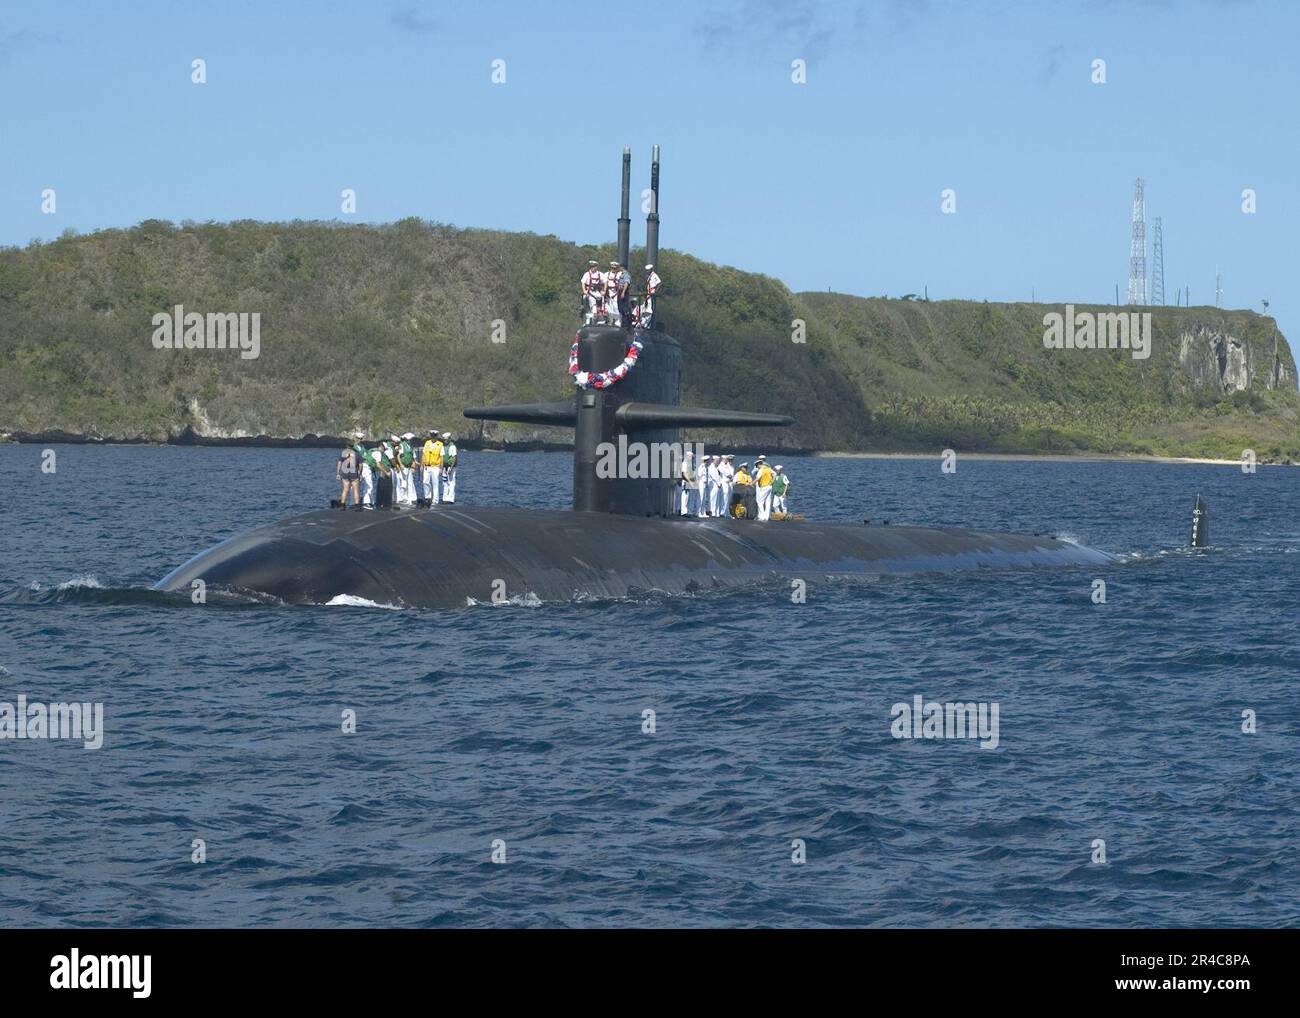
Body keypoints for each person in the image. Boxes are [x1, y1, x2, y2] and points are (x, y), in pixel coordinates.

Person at [421, 429, 443, 505]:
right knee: (425, 482)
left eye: (434, 436)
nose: (433, 437)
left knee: (435, 483)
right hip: (427, 466)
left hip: (435, 467)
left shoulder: (440, 444)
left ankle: (435, 500)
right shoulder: (427, 443)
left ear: (436, 436)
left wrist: (441, 468)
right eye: (432, 436)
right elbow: (423, 455)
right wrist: (422, 465)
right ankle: (427, 497)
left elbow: (442, 457)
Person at [336, 437, 360, 508]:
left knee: (345, 489)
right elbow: (360, 465)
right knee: (355, 490)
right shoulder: (357, 453)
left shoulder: (343, 453)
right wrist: (360, 473)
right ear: (353, 446)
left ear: (347, 446)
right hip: (354, 473)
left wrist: (338, 473)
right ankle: (357, 505)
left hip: (345, 473)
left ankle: (343, 505)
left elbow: (339, 463)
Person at [581, 259, 603, 325]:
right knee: (585, 299)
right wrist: (584, 290)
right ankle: (585, 312)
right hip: (589, 291)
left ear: (596, 267)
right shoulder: (586, 274)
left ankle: (600, 315)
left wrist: (603, 290)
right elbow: (583, 282)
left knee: (602, 299)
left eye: (594, 266)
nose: (592, 268)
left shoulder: (600, 274)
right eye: (591, 266)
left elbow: (605, 282)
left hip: (597, 292)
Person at [640, 263, 661, 330]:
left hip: (651, 293)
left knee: (649, 310)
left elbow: (659, 283)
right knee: (644, 308)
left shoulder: (654, 275)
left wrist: (655, 292)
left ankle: (646, 325)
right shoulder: (649, 276)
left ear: (651, 270)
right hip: (648, 293)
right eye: (646, 270)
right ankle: (642, 323)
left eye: (648, 270)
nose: (647, 272)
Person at [754, 456, 775, 521]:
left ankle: (762, 516)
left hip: (764, 487)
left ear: (759, 464)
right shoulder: (768, 468)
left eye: (757, 466)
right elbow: (774, 474)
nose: (757, 467)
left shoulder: (761, 469)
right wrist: (772, 482)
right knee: (768, 501)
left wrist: (751, 483)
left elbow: (757, 478)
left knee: (759, 501)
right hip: (769, 486)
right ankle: (766, 516)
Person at [605, 261, 623, 326]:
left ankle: (618, 321)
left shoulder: (620, 274)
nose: (613, 269)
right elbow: (604, 282)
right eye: (612, 268)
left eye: (615, 268)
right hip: (608, 292)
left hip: (616, 292)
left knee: (616, 307)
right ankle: (610, 321)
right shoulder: (607, 274)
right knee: (609, 308)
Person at [441, 433, 458, 502]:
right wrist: (441, 468)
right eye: (444, 440)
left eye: (446, 440)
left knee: (451, 482)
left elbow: (454, 458)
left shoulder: (452, 447)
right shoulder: (443, 446)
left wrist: (451, 468)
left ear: (449, 439)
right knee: (444, 482)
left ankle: (451, 498)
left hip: (451, 467)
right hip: (444, 467)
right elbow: (442, 457)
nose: (445, 441)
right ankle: (445, 498)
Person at [616, 262, 632, 329]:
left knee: (624, 309)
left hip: (623, 291)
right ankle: (623, 323)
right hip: (620, 291)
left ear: (623, 267)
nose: (619, 268)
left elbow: (626, 283)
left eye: (620, 267)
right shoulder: (622, 274)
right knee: (620, 308)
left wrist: (623, 292)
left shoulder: (626, 274)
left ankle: (626, 325)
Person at [679, 449, 696, 516]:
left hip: (689, 482)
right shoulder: (685, 463)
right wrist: (689, 481)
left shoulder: (689, 464)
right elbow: (684, 474)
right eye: (690, 456)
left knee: (688, 497)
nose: (691, 458)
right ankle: (683, 512)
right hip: (685, 482)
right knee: (684, 497)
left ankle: (687, 511)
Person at [694, 449, 708, 518]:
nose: (706, 462)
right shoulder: (701, 467)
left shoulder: (704, 467)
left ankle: (703, 512)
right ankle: (698, 512)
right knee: (700, 498)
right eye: (706, 461)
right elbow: (699, 475)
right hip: (701, 483)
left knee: (704, 498)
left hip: (704, 483)